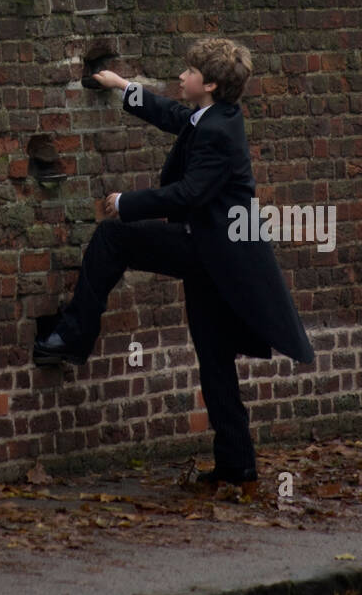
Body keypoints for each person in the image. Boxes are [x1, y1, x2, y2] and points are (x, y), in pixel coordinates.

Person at [33, 37, 315, 489]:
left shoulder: (219, 132)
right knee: (214, 358)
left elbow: (189, 194)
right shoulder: (213, 116)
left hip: (212, 251)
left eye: (188, 72)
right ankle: (236, 465)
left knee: (113, 237)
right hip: (211, 256)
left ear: (211, 84)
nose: (181, 77)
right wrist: (121, 84)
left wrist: (126, 202)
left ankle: (72, 335)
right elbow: (173, 116)